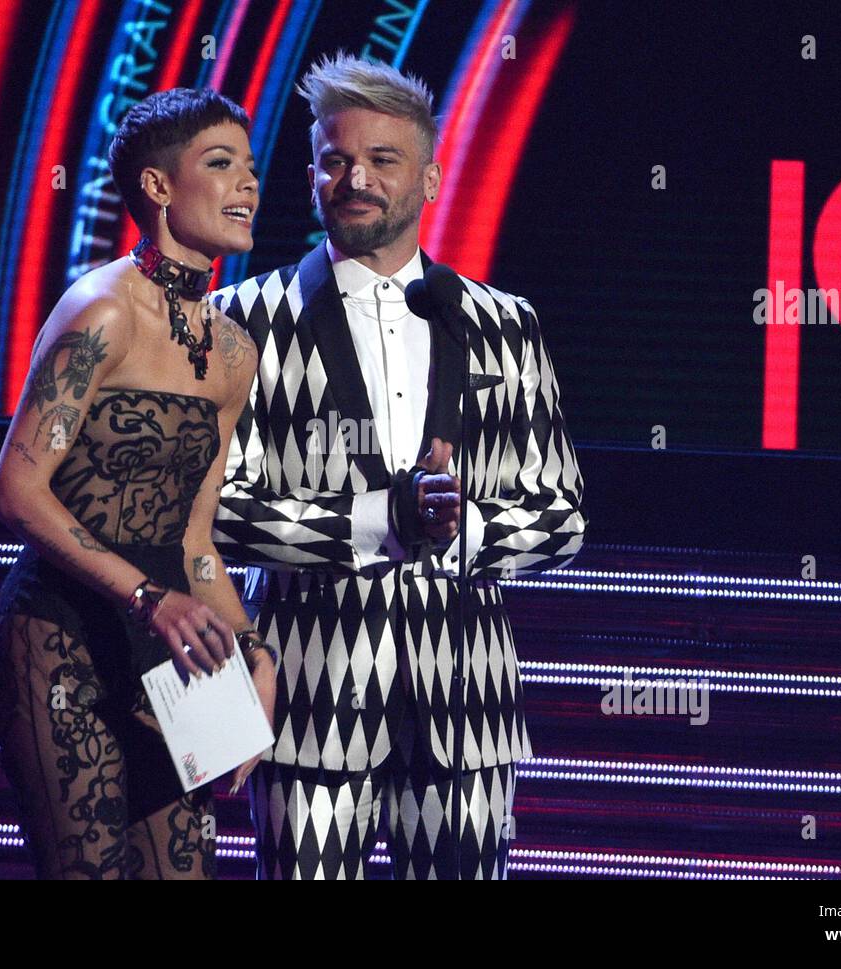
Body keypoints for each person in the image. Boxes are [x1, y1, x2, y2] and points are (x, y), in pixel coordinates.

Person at [210, 52, 588, 880]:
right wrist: (377, 519)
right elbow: (214, 510)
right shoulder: (241, 319)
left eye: (382, 160)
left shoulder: (504, 322)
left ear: (429, 178)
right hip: (309, 703)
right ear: (312, 175)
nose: (356, 178)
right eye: (335, 159)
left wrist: (459, 528)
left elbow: (561, 513)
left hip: (468, 707)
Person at [0, 88, 277, 880]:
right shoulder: (101, 311)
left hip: (167, 660)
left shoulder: (235, 353)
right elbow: (16, 489)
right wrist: (151, 595)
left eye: (251, 168)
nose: (248, 185)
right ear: (157, 186)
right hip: (56, 643)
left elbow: (194, 537)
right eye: (221, 165)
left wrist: (252, 649)